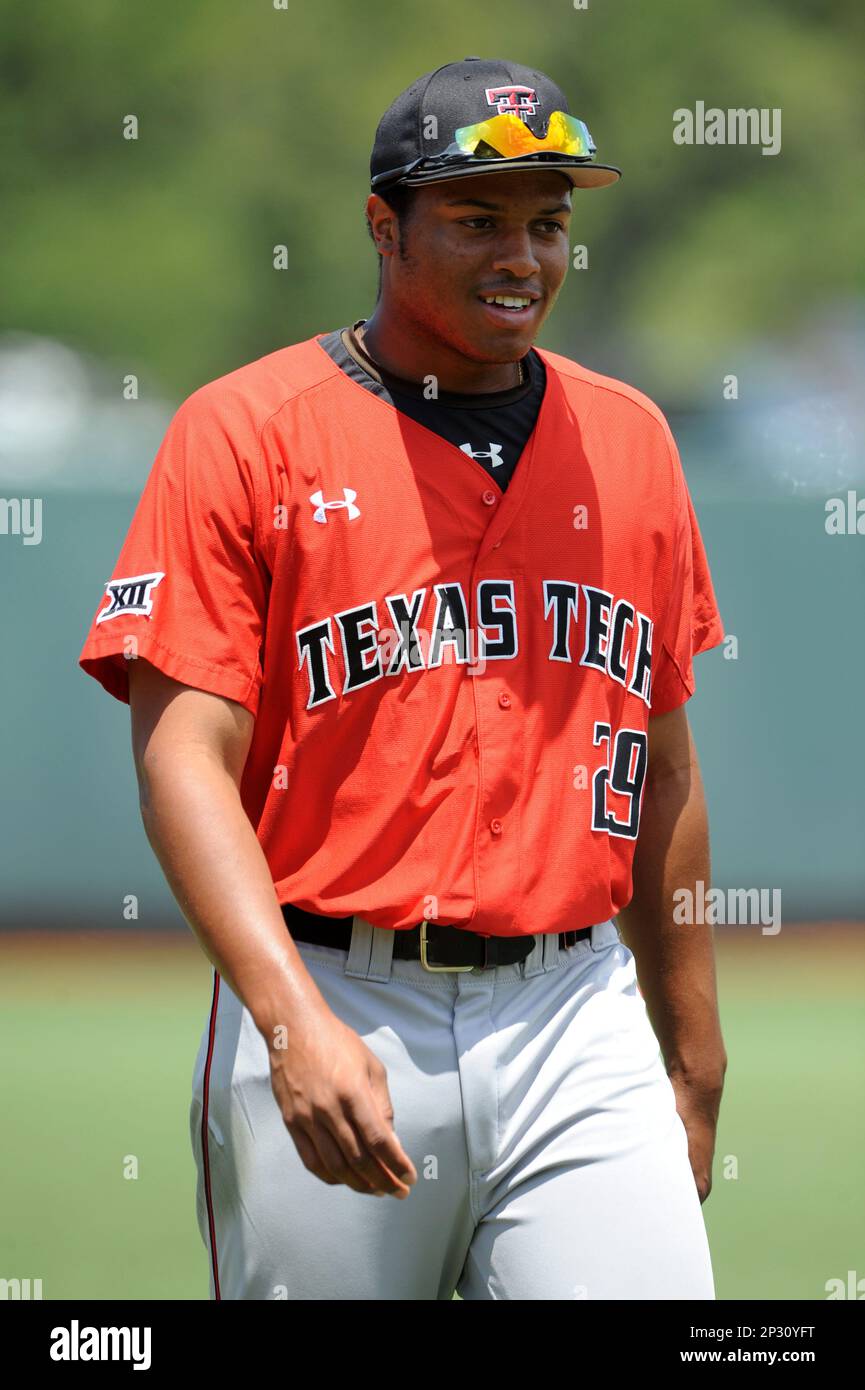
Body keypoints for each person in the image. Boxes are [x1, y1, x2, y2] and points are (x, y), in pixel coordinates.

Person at [79, 57, 728, 1300]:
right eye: (477, 220)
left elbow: (661, 769)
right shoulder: (246, 429)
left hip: (573, 1008)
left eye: (547, 225)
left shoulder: (630, 438)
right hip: (335, 985)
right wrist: (286, 1019)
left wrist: (688, 1050)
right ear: (384, 226)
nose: (522, 257)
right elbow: (181, 754)